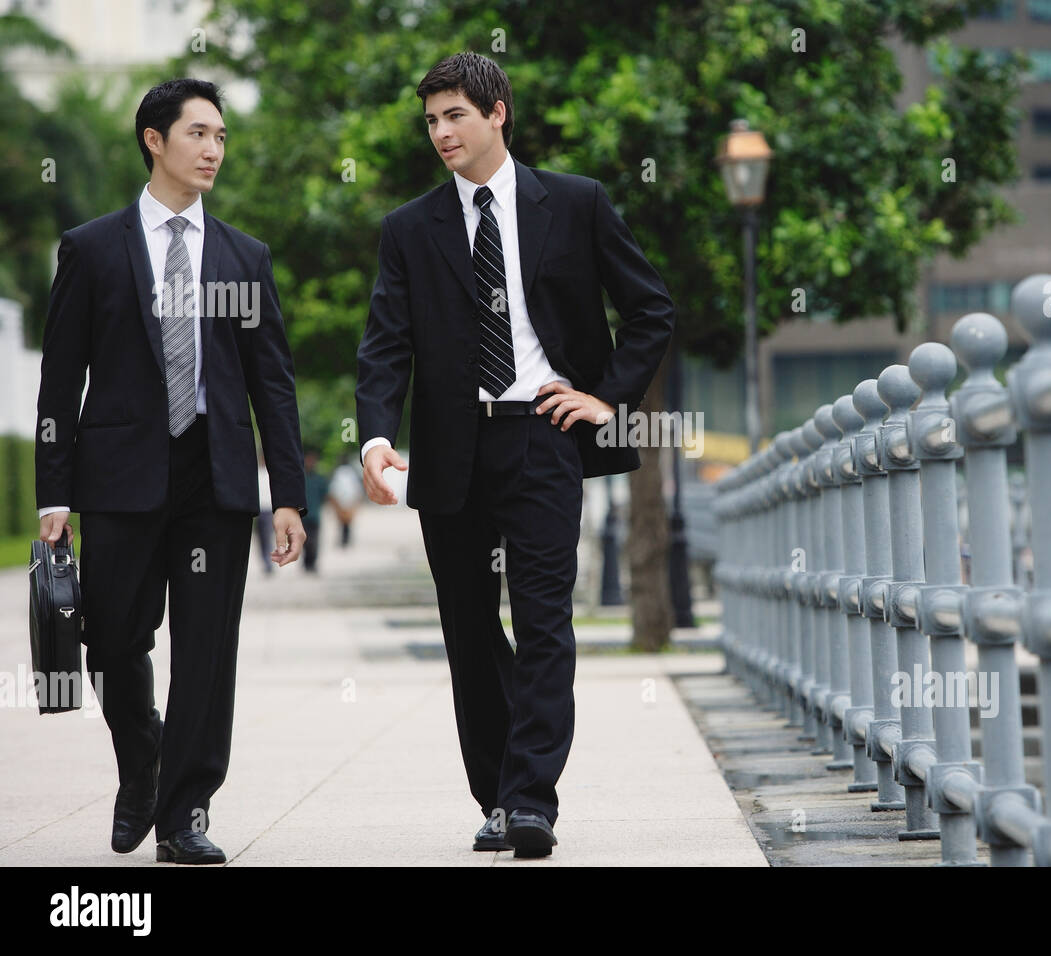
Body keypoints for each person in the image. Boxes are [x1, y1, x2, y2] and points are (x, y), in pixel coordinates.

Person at [355, 51, 674, 858]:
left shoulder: (576, 203)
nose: (440, 132)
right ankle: (495, 793)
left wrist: (608, 400)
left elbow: (650, 310)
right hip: (451, 448)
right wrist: (377, 433)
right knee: (468, 629)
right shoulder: (408, 229)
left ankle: (531, 802)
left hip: (544, 435)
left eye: (454, 115)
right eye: (430, 120)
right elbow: (386, 344)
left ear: (498, 114)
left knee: (543, 622)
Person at [34, 78, 308, 865]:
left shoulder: (243, 256)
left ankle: (186, 811)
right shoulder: (92, 248)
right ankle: (142, 761)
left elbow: (273, 384)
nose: (214, 149)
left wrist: (287, 495)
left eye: (221, 136)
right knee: (115, 640)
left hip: (215, 478)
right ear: (155, 140)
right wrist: (54, 491)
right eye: (198, 134)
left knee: (207, 650)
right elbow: (59, 381)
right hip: (119, 479)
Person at [328, 454, 364, 548]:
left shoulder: (339, 473)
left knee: (344, 523)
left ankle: (345, 540)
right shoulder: (350, 473)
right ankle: (345, 540)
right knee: (345, 523)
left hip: (345, 501)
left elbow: (334, 488)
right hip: (347, 500)